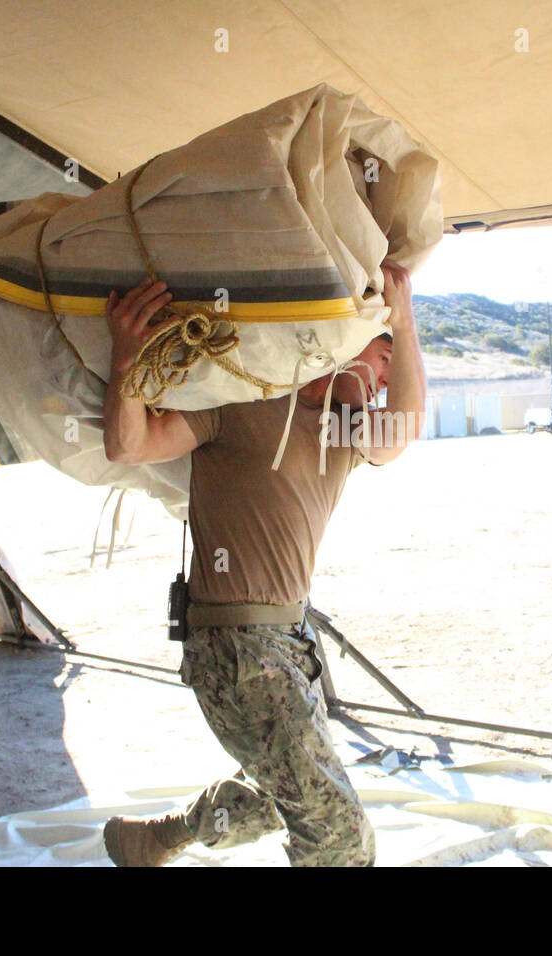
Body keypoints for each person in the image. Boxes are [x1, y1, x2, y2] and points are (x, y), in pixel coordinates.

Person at [99, 261, 424, 867]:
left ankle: (155, 841)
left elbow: (402, 426)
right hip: (237, 648)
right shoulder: (239, 404)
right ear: (343, 350)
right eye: (381, 362)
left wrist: (402, 330)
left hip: (291, 643)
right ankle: (158, 840)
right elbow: (128, 445)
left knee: (282, 795)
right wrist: (126, 359)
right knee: (340, 838)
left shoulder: (343, 437)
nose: (381, 385)